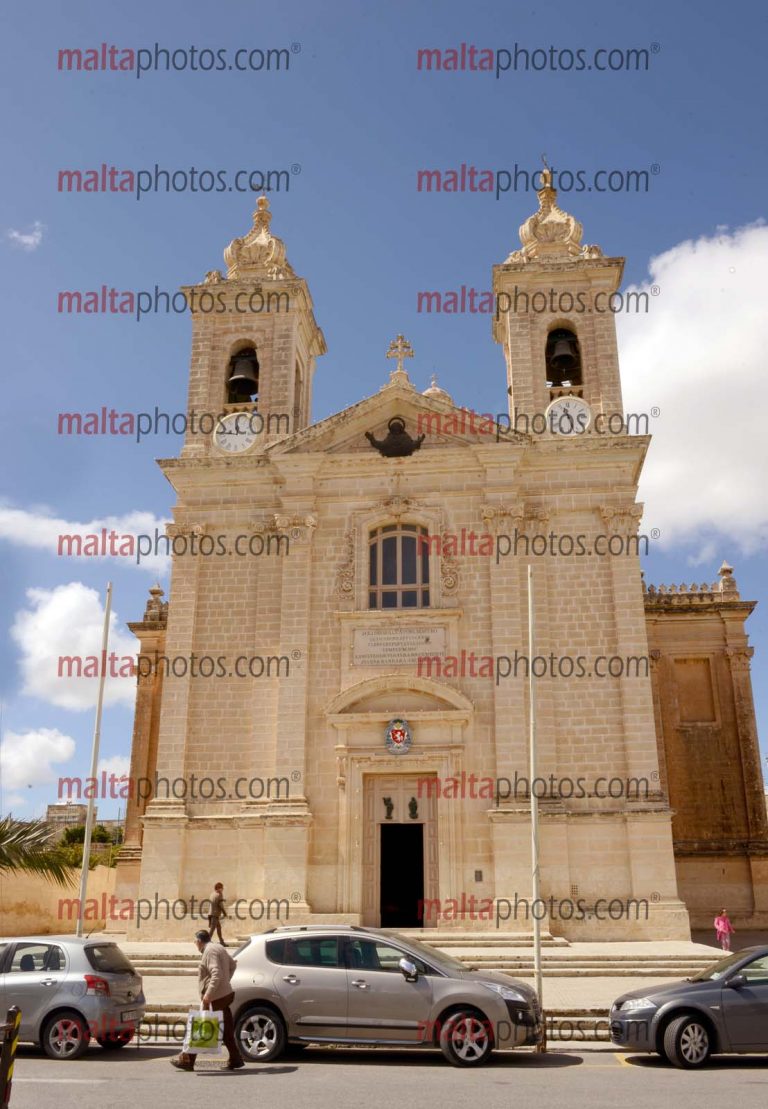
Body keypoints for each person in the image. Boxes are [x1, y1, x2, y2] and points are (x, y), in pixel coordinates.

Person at [170, 929, 245, 1071]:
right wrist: (225, 982)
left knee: (200, 1026)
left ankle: (187, 1059)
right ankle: (236, 1058)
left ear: (199, 941)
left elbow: (216, 973)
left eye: (195, 942)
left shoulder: (209, 951)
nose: (195, 945)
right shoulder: (218, 947)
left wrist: (208, 994)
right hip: (225, 995)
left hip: (215, 998)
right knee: (226, 1030)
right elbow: (233, 965)